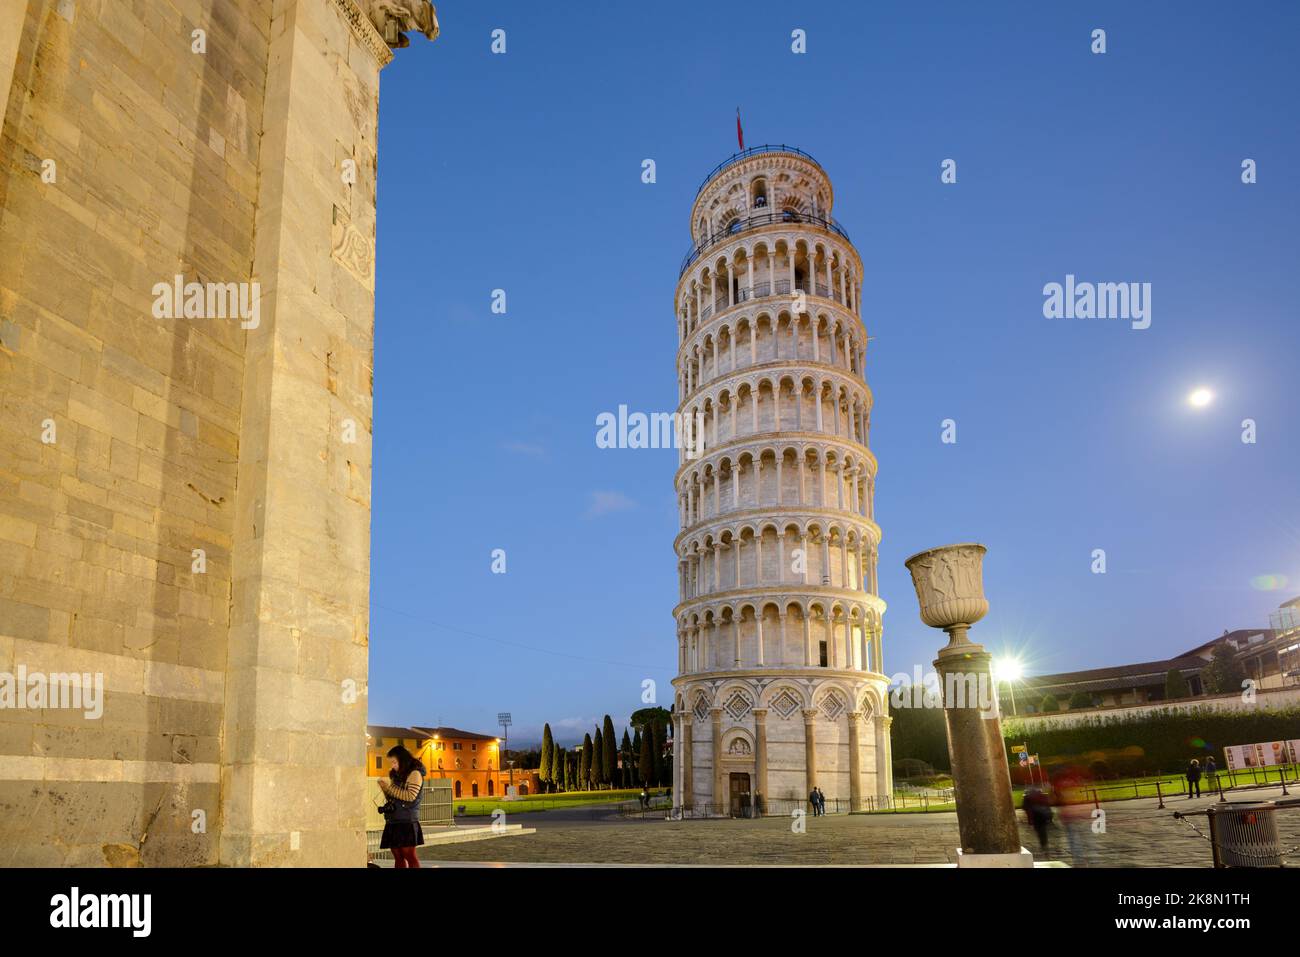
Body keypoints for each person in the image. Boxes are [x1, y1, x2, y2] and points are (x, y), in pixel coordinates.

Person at [378, 744, 426, 868]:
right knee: (398, 856)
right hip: (393, 819)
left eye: (394, 762)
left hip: (407, 820)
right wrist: (384, 789)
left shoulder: (415, 773)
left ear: (402, 759)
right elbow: (394, 797)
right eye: (391, 763)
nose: (392, 766)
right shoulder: (396, 775)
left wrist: (389, 788)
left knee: (409, 856)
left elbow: (410, 796)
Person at [1022, 785, 1053, 853]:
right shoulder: (1042, 796)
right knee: (1043, 829)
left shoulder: (1027, 797)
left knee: (1039, 830)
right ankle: (1044, 843)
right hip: (1043, 816)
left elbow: (1025, 807)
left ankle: (1043, 843)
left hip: (1035, 816)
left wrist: (1030, 820)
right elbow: (1047, 805)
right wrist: (1049, 817)